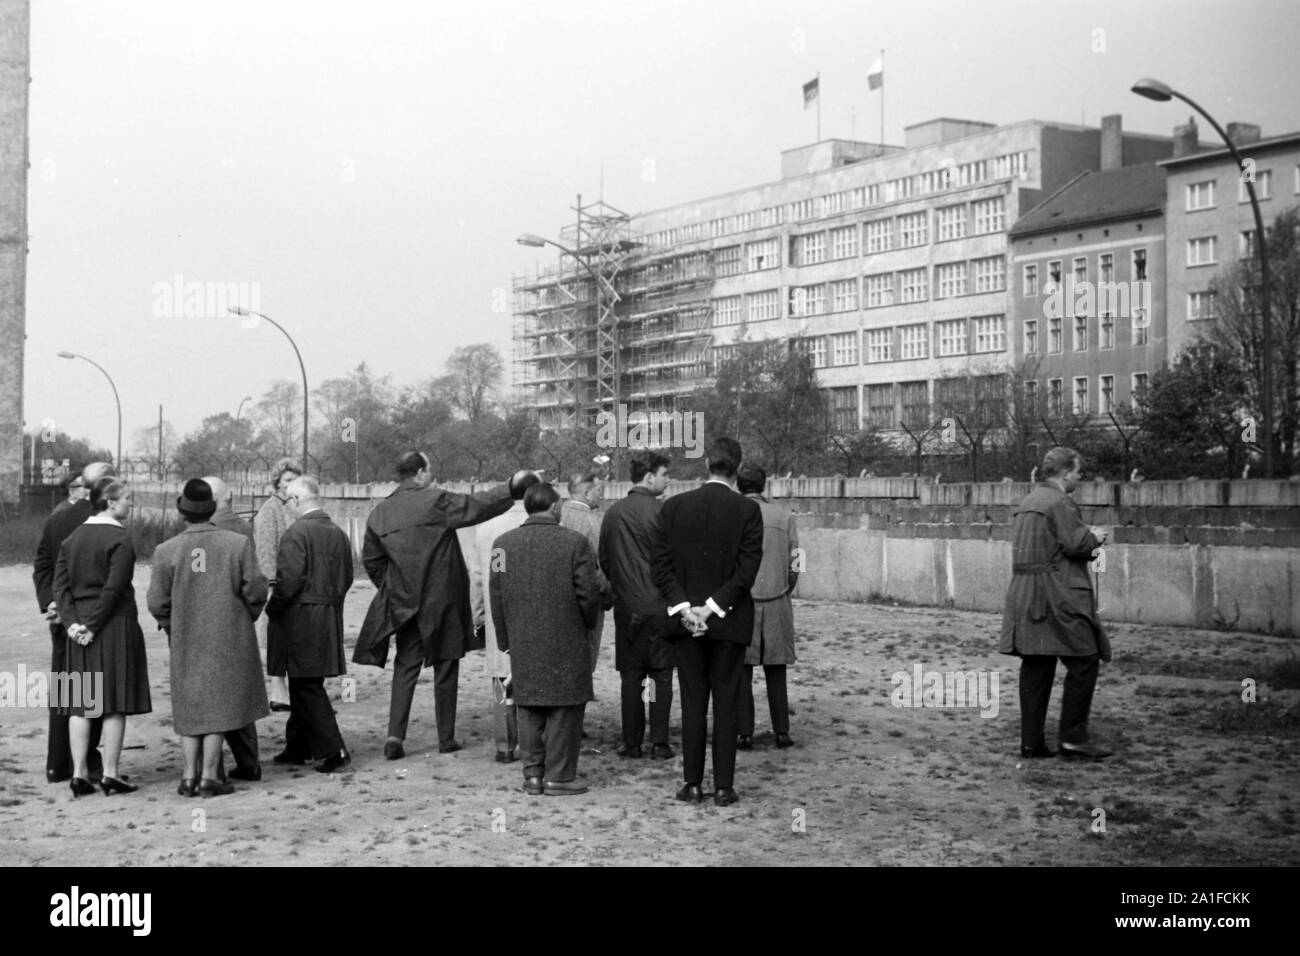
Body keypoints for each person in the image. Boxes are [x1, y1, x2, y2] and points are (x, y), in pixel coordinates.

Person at [353, 451, 536, 759]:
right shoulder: (435, 501)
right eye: (431, 472)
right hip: (443, 599)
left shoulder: (380, 513)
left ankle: (395, 735)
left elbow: (371, 560)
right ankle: (445, 738)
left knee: (406, 666)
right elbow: (477, 505)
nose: (433, 477)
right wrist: (511, 485)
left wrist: (396, 587)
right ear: (421, 473)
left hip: (405, 602)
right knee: (446, 666)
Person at [651, 437, 762, 807]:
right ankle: (725, 787)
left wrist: (686, 610)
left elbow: (661, 567)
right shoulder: (747, 511)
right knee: (727, 703)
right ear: (738, 468)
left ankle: (693, 783)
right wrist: (712, 608)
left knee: (693, 702)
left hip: (686, 624)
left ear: (707, 465)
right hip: (728, 623)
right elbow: (746, 572)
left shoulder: (673, 507)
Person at [147, 479, 269, 797]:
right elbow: (256, 588)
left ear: (182, 513)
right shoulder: (236, 544)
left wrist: (174, 626)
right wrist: (245, 616)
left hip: (186, 637)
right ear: (212, 509)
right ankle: (211, 776)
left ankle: (189, 776)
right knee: (220, 704)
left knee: (191, 704)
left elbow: (157, 602)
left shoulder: (165, 551)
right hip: (230, 635)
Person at [1000, 446, 1113, 760]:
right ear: (1065, 473)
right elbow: (1075, 544)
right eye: (1078, 472)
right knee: (1085, 658)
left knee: (1037, 663)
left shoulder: (1028, 501)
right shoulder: (1061, 501)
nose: (1080, 477)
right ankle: (1073, 739)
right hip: (1056, 592)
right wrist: (1096, 538)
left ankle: (1031, 743)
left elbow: (1048, 542)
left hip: (1025, 592)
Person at [489, 483, 601, 796]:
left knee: (528, 706)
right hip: (567, 637)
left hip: (522, 639)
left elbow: (495, 593)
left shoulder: (502, 545)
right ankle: (560, 777)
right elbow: (588, 593)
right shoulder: (575, 543)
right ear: (554, 508)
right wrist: (587, 625)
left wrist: (505, 639)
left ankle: (533, 776)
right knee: (566, 706)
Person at [53, 476, 152, 796]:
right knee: (113, 704)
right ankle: (110, 773)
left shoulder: (71, 540)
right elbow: (114, 588)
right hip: (113, 627)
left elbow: (61, 587)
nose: (131, 503)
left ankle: (80, 773)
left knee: (81, 703)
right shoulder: (120, 539)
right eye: (126, 498)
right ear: (110, 502)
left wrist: (72, 624)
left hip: (78, 630)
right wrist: (93, 625)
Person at [266, 476, 354, 773]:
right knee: (307, 683)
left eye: (287, 502)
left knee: (306, 686)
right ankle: (299, 746)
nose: (286, 507)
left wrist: (273, 606)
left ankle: (334, 750)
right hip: (328, 616)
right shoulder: (338, 533)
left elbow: (288, 581)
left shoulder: (296, 533)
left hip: (301, 618)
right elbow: (347, 577)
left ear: (296, 501)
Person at [33, 462, 111, 783]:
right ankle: (88, 762)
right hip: (92, 618)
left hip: (62, 616)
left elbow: (42, 564)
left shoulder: (58, 517)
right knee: (90, 689)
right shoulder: (106, 521)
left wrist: (51, 601)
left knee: (66, 686)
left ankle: (58, 763)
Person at [598, 452, 675, 760]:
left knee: (631, 675)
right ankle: (659, 741)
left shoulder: (613, 513)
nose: (668, 480)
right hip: (659, 605)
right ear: (649, 477)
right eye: (665, 474)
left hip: (627, 606)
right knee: (659, 674)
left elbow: (604, 559)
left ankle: (631, 742)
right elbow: (673, 560)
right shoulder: (663, 512)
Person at [198, 475, 265, 781]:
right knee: (239, 692)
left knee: (208, 695)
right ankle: (249, 762)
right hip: (235, 623)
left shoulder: (193, 533)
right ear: (227, 498)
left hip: (200, 624)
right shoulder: (240, 529)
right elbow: (254, 584)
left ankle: (211, 770)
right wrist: (247, 613)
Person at [468, 481, 538, 763]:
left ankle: (504, 745)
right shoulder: (542, 525)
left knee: (500, 678)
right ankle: (534, 743)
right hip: (535, 616)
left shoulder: (486, 527)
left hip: (499, 618)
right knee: (534, 678)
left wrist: (479, 615)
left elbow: (476, 576)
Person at [735, 463, 798, 750]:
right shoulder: (785, 516)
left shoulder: (733, 514)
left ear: (739, 485)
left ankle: (743, 732)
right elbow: (797, 560)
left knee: (741, 671)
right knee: (776, 670)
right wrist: (785, 587)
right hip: (777, 598)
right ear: (764, 486)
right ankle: (781, 731)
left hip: (741, 601)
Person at [255, 457, 302, 712]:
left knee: (295, 638)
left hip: (298, 584)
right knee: (276, 636)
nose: (291, 484)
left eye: (295, 479)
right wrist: (272, 584)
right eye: (287, 480)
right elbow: (265, 550)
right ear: (277, 483)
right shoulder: (269, 510)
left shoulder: (298, 506)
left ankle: (294, 689)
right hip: (279, 585)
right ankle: (277, 688)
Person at [560, 471, 611, 673]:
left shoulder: (557, 514)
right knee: (585, 658)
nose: (603, 496)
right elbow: (602, 566)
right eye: (600, 490)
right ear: (587, 493)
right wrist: (607, 596)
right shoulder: (594, 522)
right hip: (589, 598)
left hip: (556, 599)